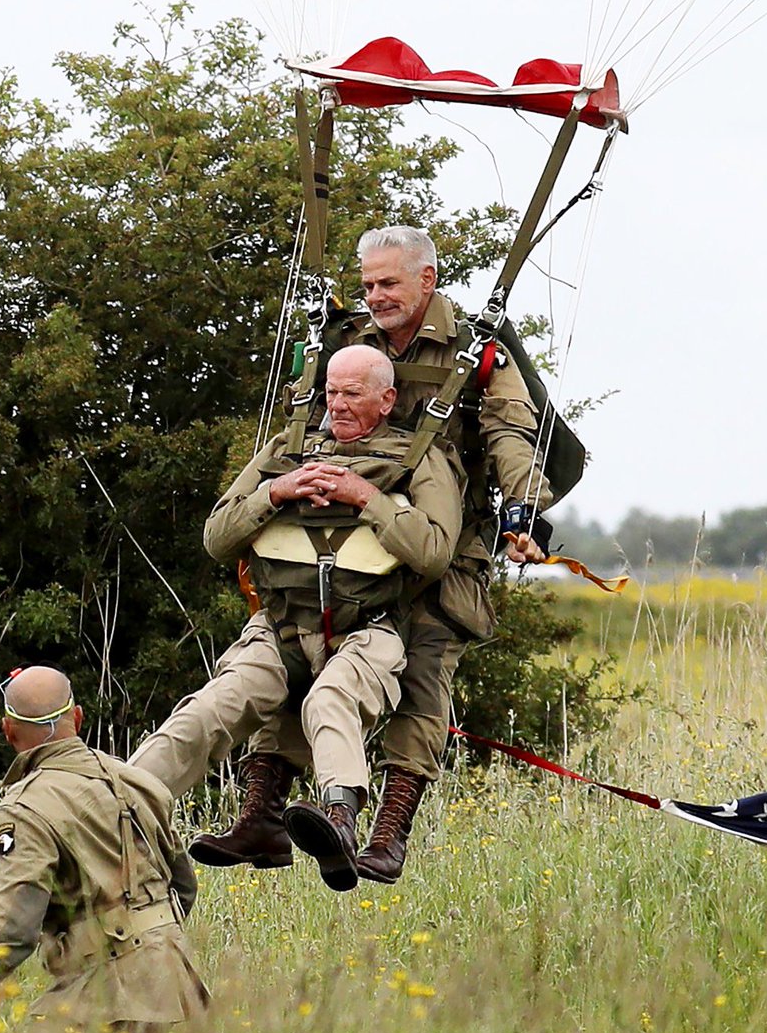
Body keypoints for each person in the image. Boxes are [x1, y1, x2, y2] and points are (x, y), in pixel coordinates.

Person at [190, 226, 551, 884]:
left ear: (427, 280)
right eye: (368, 284)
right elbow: (308, 417)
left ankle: (387, 834)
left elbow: (512, 435)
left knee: (425, 670)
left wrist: (527, 511)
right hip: (344, 539)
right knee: (294, 644)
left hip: (437, 541)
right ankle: (263, 814)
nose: (376, 296)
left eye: (389, 283)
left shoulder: (479, 351)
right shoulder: (349, 341)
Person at [129, 345, 463, 891]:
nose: (338, 404)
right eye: (331, 391)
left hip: (369, 627)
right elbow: (217, 538)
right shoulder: (287, 450)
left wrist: (367, 499)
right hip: (281, 625)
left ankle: (338, 819)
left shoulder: (419, 458)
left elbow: (433, 553)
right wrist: (277, 491)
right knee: (215, 704)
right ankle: (118, 804)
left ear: (387, 399)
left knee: (331, 699)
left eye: (352, 393)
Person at [0, 665, 207, 1033]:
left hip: (108, 994)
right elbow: (183, 887)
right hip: (180, 983)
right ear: (77, 718)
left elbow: (10, 933)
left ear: (8, 731)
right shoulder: (139, 782)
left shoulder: (25, 808)